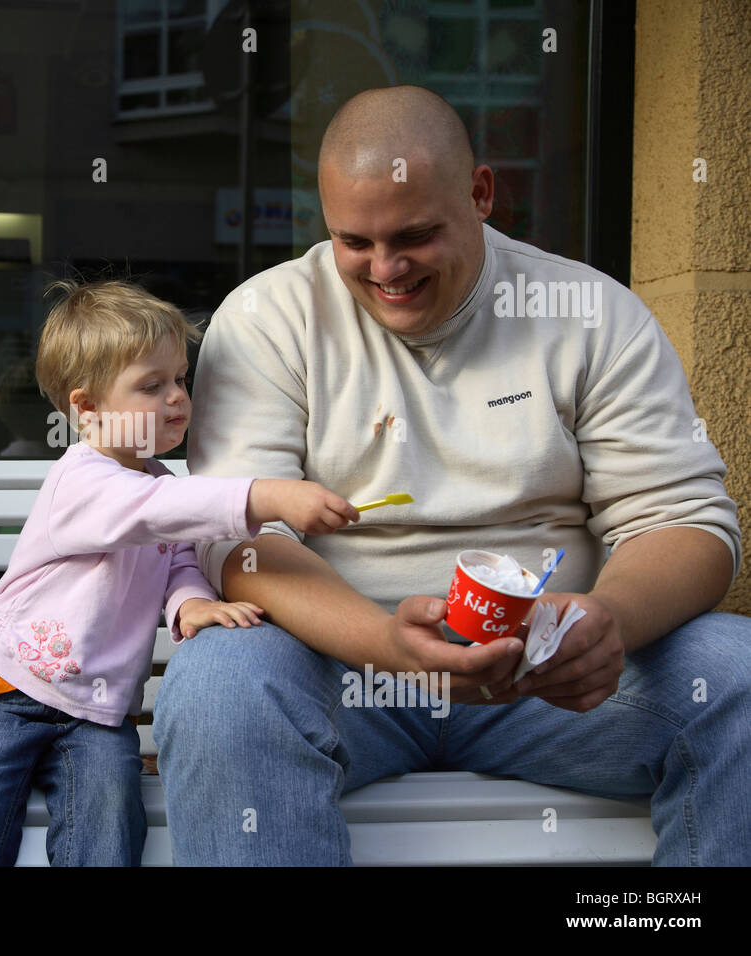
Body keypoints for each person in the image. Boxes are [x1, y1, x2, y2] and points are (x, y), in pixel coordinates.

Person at [153, 85, 751, 866]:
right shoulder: (267, 319)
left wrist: (610, 623)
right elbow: (241, 540)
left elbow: (687, 521)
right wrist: (385, 648)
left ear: (481, 193)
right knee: (219, 685)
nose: (386, 270)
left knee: (737, 675)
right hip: (339, 672)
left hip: (551, 683)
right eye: (354, 242)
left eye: (415, 236)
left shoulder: (589, 313)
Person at [0, 279, 358, 866]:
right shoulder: (81, 480)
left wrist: (189, 603)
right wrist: (265, 496)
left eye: (180, 380)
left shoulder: (159, 484)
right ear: (87, 407)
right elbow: (155, 516)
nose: (177, 398)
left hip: (96, 713)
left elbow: (176, 558)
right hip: (3, 692)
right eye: (152, 385)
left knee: (110, 837)